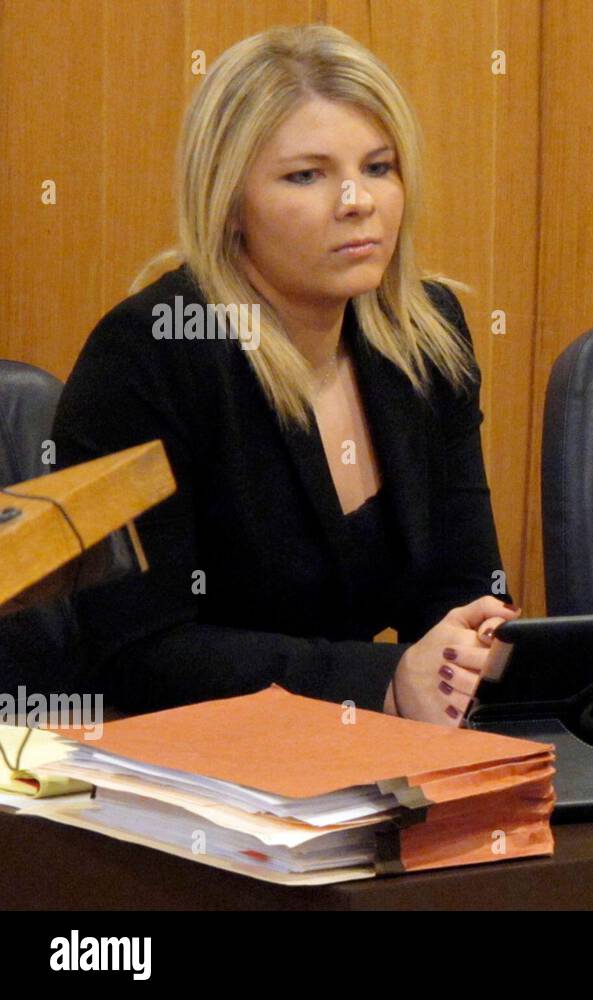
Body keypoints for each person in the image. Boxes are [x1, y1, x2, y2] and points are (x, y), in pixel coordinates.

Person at [52, 25, 514, 722]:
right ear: (232, 202)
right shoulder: (152, 351)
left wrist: (476, 645)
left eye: (379, 167)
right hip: (190, 772)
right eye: (308, 175)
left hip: (368, 755)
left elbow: (458, 585)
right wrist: (382, 679)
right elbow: (140, 653)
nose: (357, 200)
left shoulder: (425, 333)